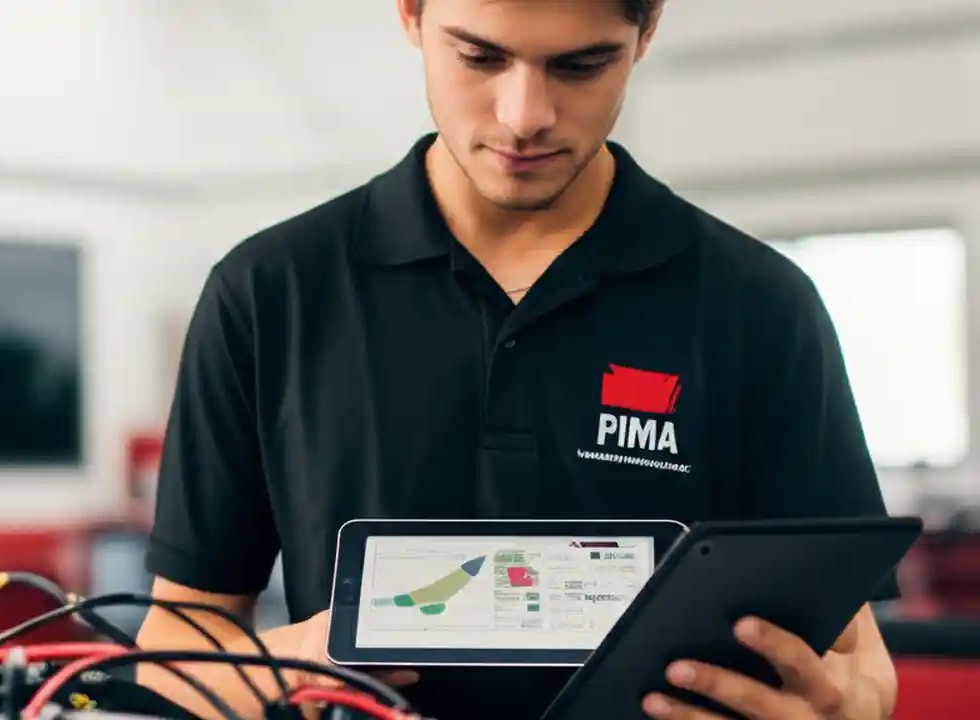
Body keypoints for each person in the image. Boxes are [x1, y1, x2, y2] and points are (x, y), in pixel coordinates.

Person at [136, 1, 902, 718]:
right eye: (479, 56)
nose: (524, 116)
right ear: (411, 11)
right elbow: (171, 654)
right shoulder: (270, 294)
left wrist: (847, 704)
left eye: (580, 66)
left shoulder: (760, 305)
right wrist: (299, 658)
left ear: (647, 30)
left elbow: (859, 657)